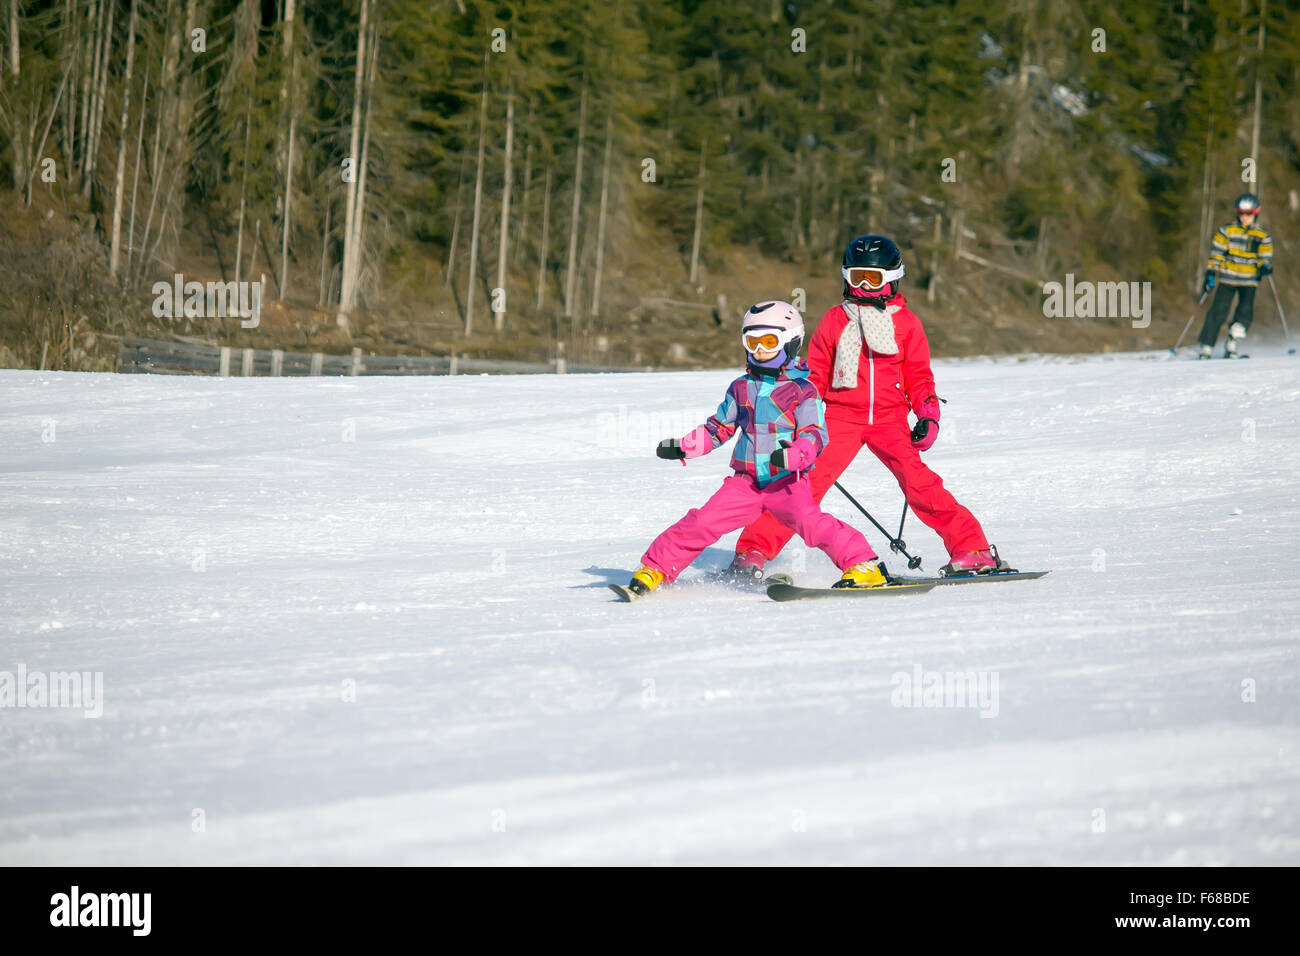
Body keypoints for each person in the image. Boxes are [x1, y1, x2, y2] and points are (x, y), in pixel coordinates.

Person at [727, 235, 1007, 578]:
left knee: (921, 484)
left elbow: (919, 377)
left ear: (891, 277)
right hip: (839, 418)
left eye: (871, 279)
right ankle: (752, 550)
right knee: (801, 483)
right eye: (855, 276)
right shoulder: (833, 320)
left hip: (890, 421)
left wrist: (928, 416)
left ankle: (973, 549)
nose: (862, 286)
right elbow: (813, 378)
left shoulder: (908, 324)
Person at [619, 300, 890, 599]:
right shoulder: (741, 387)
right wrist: (684, 447)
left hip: (787, 482)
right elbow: (718, 428)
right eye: (752, 341)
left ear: (791, 342)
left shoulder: (803, 391)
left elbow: (815, 436)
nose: (759, 349)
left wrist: (794, 455)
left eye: (769, 341)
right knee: (704, 521)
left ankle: (864, 565)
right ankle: (656, 568)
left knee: (810, 524)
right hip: (745, 483)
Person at [1198, 193, 1274, 359]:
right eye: (1240, 213)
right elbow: (1216, 255)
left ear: (1255, 213)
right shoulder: (1226, 231)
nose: (1244, 217)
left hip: (1249, 281)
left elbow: (1264, 258)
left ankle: (1232, 343)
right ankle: (1206, 347)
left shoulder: (1262, 236)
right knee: (1218, 311)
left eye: (1248, 214)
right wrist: (1211, 273)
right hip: (1228, 277)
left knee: (1245, 312)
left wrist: (1265, 267)